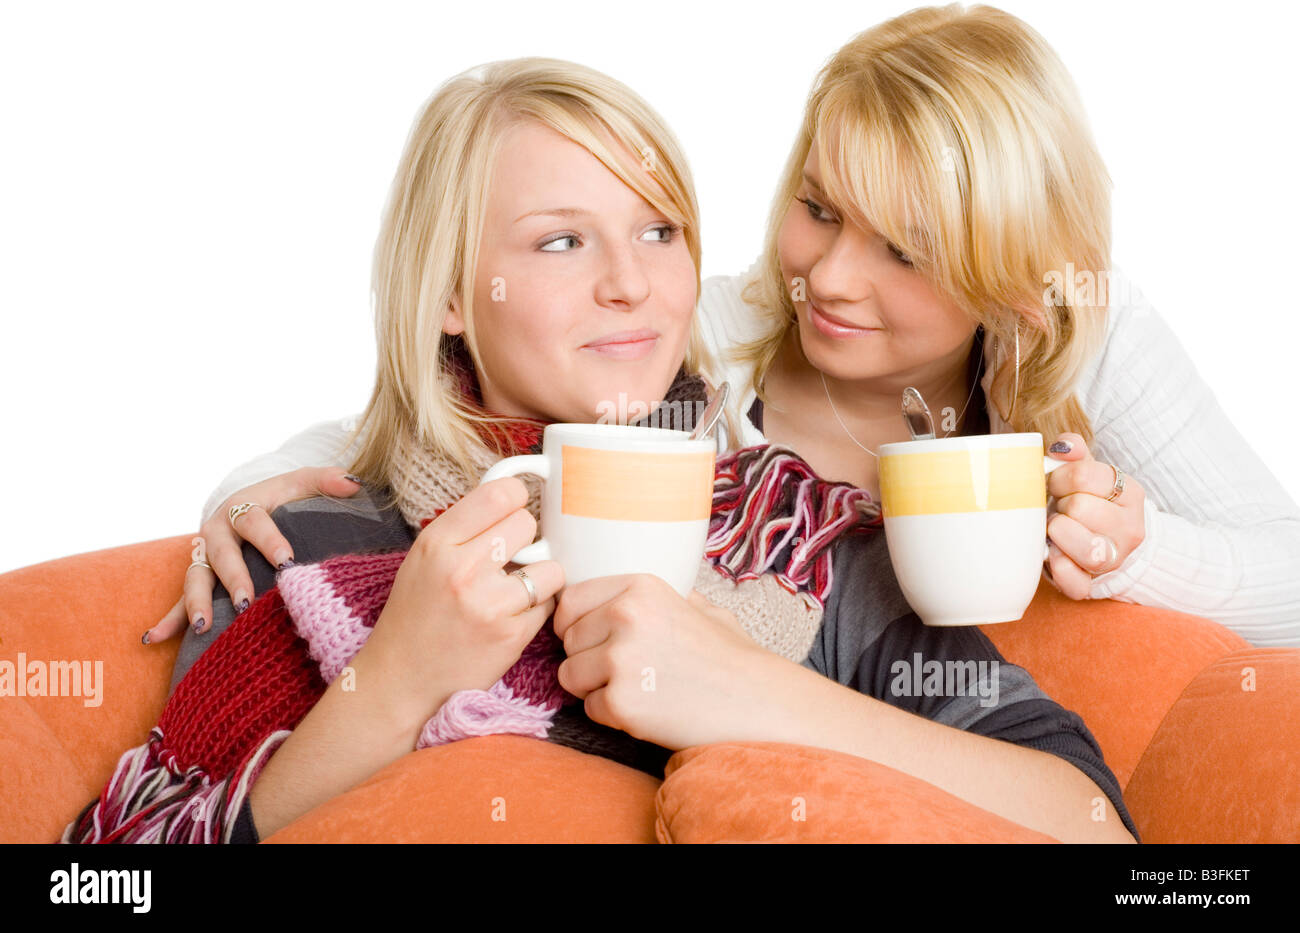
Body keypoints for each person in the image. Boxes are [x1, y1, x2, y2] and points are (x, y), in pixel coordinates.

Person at [72, 56, 1136, 844]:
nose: (630, 283)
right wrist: (393, 685)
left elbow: (1095, 822)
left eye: (659, 231)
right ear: (451, 294)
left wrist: (751, 694)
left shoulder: (812, 543)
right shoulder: (297, 541)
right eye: (561, 240)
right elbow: (102, 880)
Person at [155, 4, 1300, 651]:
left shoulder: (1083, 332)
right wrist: (245, 487)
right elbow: (432, 404)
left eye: (904, 250)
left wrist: (1137, 555)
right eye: (817, 208)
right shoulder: (709, 328)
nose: (831, 279)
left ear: (1010, 284)